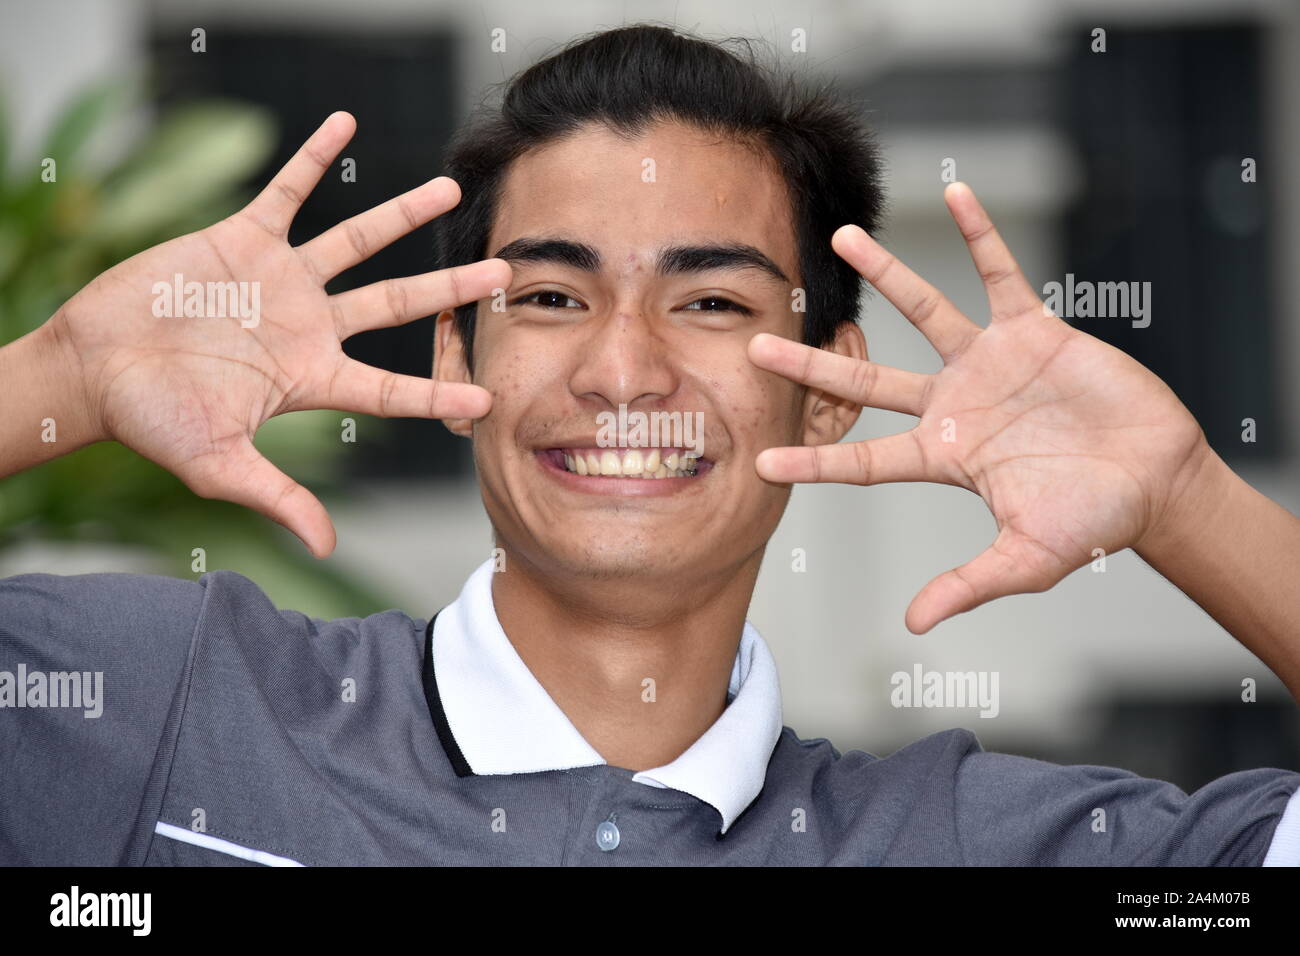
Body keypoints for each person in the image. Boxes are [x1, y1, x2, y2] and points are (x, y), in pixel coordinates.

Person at [1, 24, 1297, 866]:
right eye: (552, 299)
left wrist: (1184, 498)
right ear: (457, 359)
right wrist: (53, 379)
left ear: (834, 386)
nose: (624, 372)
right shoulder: (163, 709)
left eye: (713, 302)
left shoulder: (971, 844)